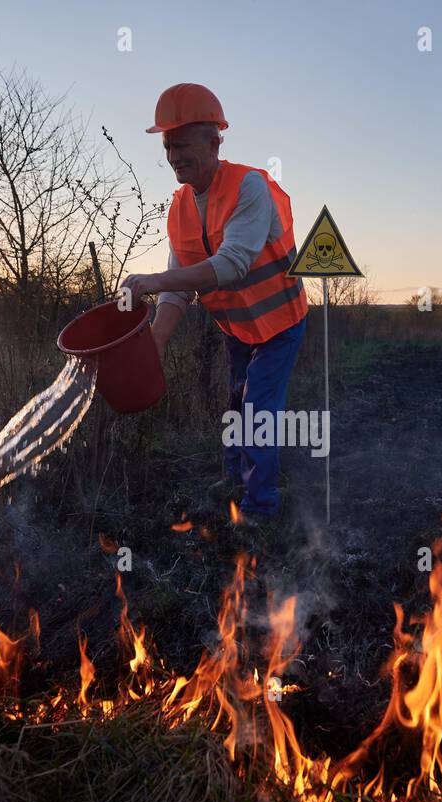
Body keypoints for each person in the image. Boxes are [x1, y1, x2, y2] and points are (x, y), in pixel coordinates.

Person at [121, 83, 308, 520]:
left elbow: (232, 264)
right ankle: (233, 479)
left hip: (280, 322)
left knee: (257, 408)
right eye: (167, 147)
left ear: (214, 141)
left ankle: (259, 509)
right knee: (235, 401)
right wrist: (157, 341)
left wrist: (150, 280)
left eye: (182, 145)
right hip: (237, 328)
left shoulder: (249, 187)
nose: (173, 157)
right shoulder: (180, 207)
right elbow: (178, 286)